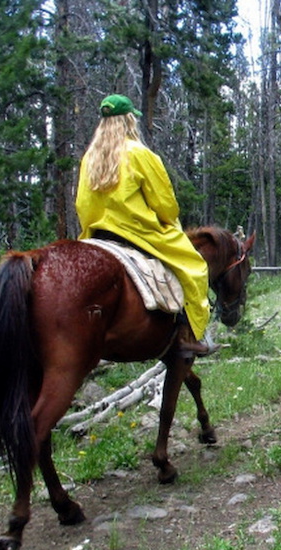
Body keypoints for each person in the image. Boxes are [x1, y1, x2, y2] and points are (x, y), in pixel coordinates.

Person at [75, 94, 218, 356]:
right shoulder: (139, 153)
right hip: (137, 233)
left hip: (96, 234)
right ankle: (189, 334)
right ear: (129, 120)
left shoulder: (89, 158)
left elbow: (82, 204)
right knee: (194, 267)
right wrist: (168, 223)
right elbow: (165, 204)